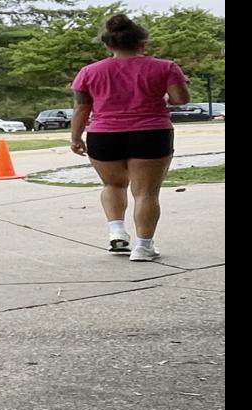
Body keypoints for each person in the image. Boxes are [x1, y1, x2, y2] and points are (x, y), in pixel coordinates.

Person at [69, 13, 189, 263]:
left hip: (104, 135)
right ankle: (143, 247)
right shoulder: (165, 67)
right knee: (145, 193)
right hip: (151, 133)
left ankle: (117, 233)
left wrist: (76, 137)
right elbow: (180, 99)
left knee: (112, 185)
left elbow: (82, 107)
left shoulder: (88, 72)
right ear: (142, 43)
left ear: (108, 44)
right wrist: (163, 97)